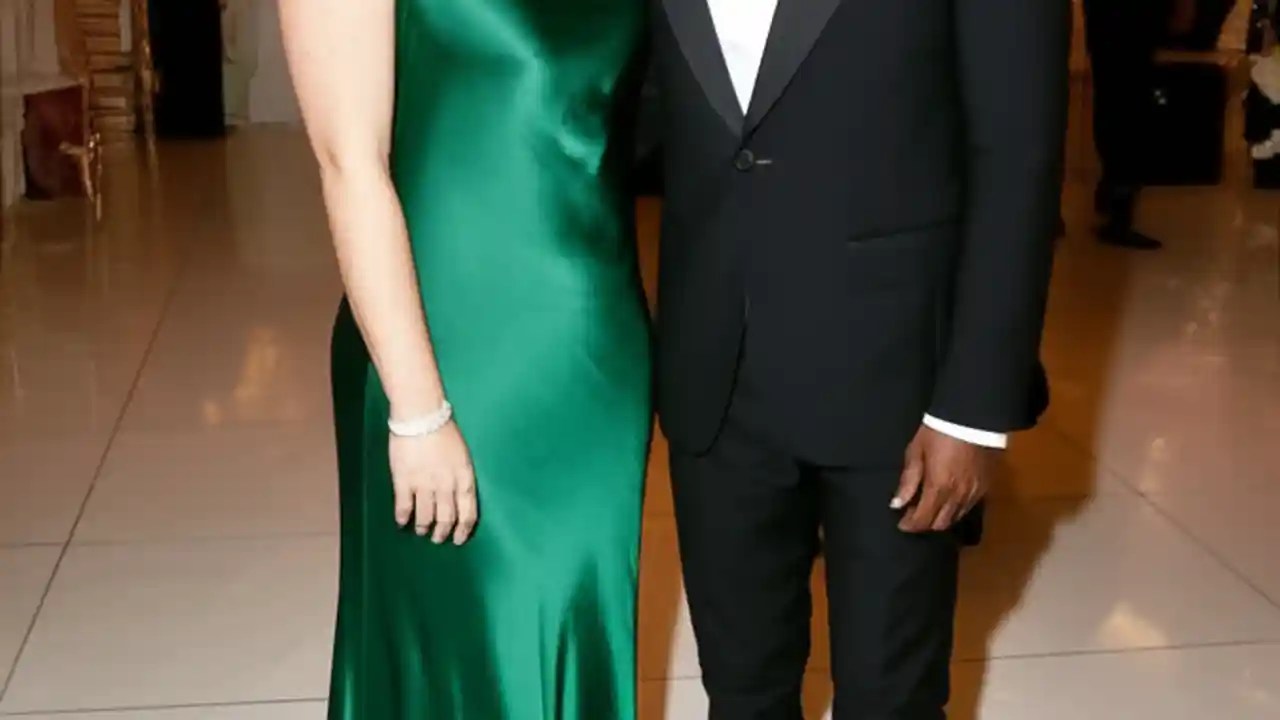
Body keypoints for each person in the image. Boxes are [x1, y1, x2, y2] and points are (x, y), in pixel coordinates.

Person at [648, 0, 1069, 717]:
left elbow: (1017, 156)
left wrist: (972, 411)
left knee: (891, 694)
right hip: (713, 367)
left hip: (895, 376)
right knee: (741, 686)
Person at [279, 1, 651, 717]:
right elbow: (348, 164)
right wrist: (417, 408)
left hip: (595, 352)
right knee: (478, 642)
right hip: (449, 354)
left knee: (574, 616)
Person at [1084, 0, 1172, 249]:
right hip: (1131, 20)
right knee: (1130, 108)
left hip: (1110, 19)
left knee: (1113, 101)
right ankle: (1118, 210)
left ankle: (1113, 199)